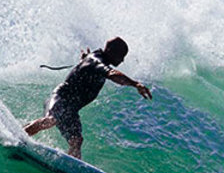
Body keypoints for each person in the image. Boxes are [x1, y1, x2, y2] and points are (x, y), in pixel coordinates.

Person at [24, 36, 152, 160]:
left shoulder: (96, 60)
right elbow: (112, 74)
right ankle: (21, 135)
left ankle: (71, 167)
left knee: (77, 141)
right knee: (51, 120)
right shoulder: (96, 60)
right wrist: (135, 84)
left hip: (71, 109)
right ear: (110, 51)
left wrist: (84, 59)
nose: (122, 60)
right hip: (61, 98)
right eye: (121, 55)